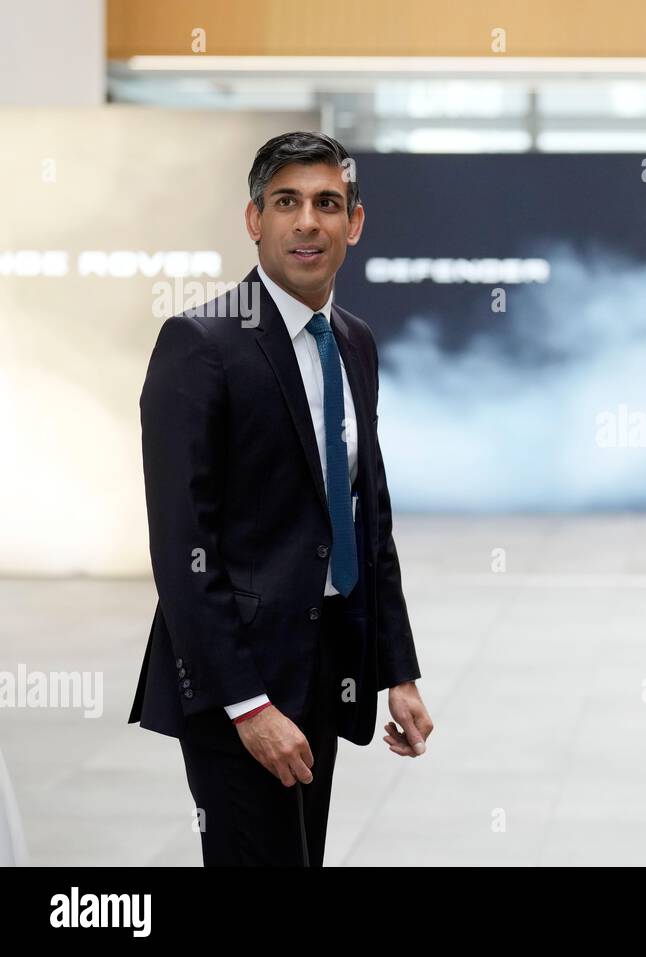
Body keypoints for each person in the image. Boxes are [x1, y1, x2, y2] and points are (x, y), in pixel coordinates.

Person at [129, 131, 434, 866]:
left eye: (328, 204)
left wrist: (397, 667)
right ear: (253, 220)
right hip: (238, 684)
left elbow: (367, 518)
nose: (308, 222)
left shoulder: (354, 340)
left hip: (324, 665)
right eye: (287, 203)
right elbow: (181, 552)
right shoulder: (200, 343)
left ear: (353, 223)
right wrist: (248, 706)